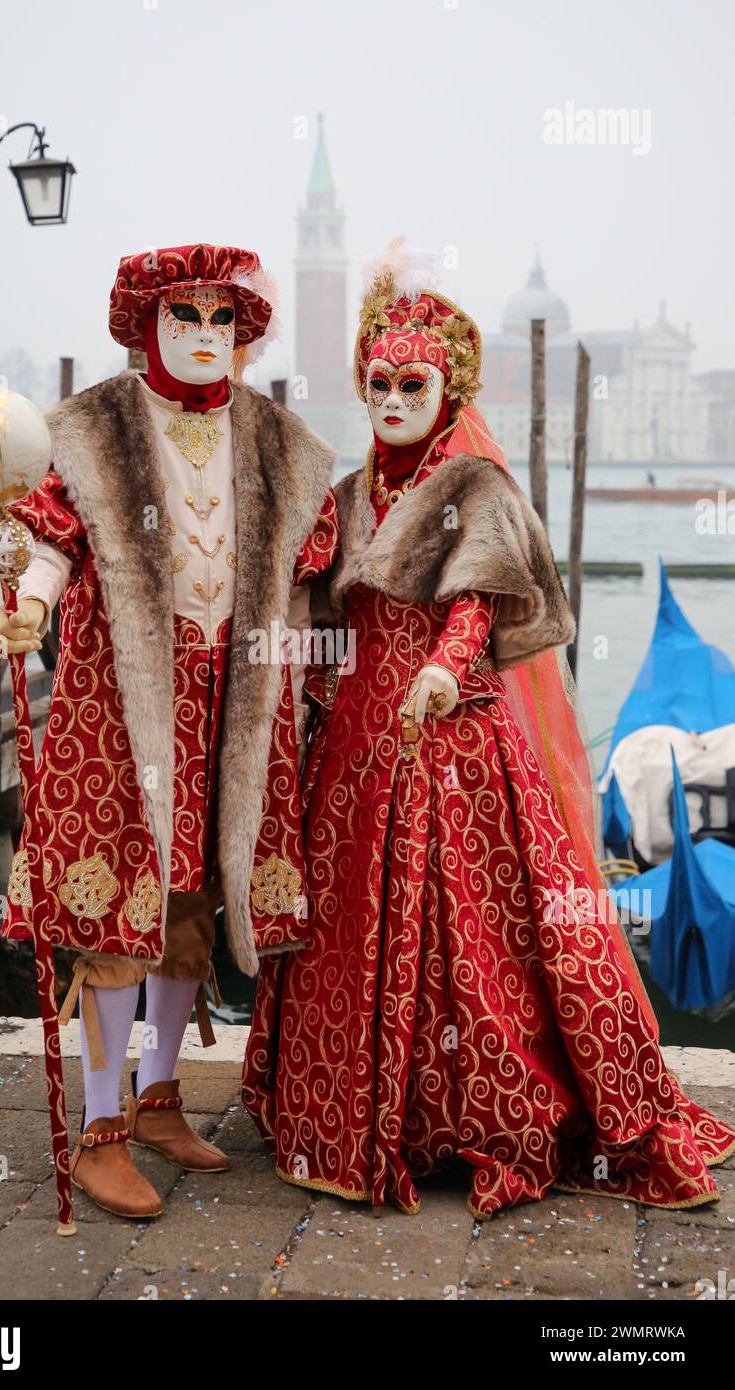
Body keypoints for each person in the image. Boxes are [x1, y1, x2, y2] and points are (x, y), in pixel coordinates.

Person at [243, 242, 735, 1220]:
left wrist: (440, 668)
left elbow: (475, 602)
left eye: (409, 383)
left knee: (480, 949)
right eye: (375, 383)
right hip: (354, 761)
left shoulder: (474, 493)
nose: (389, 399)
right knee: (348, 939)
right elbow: (307, 603)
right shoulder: (343, 502)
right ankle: (353, 1112)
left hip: (456, 757)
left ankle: (479, 1117)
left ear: (446, 388)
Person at [0, 243, 337, 1219]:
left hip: (233, 700)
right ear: (145, 324)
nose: (201, 336)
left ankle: (156, 1093)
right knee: (118, 912)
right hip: (125, 699)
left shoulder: (275, 438)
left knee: (191, 904)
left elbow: (316, 556)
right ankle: (97, 1129)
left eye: (219, 319)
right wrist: (28, 605)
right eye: (182, 318)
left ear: (242, 330)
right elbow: (53, 530)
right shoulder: (94, 428)